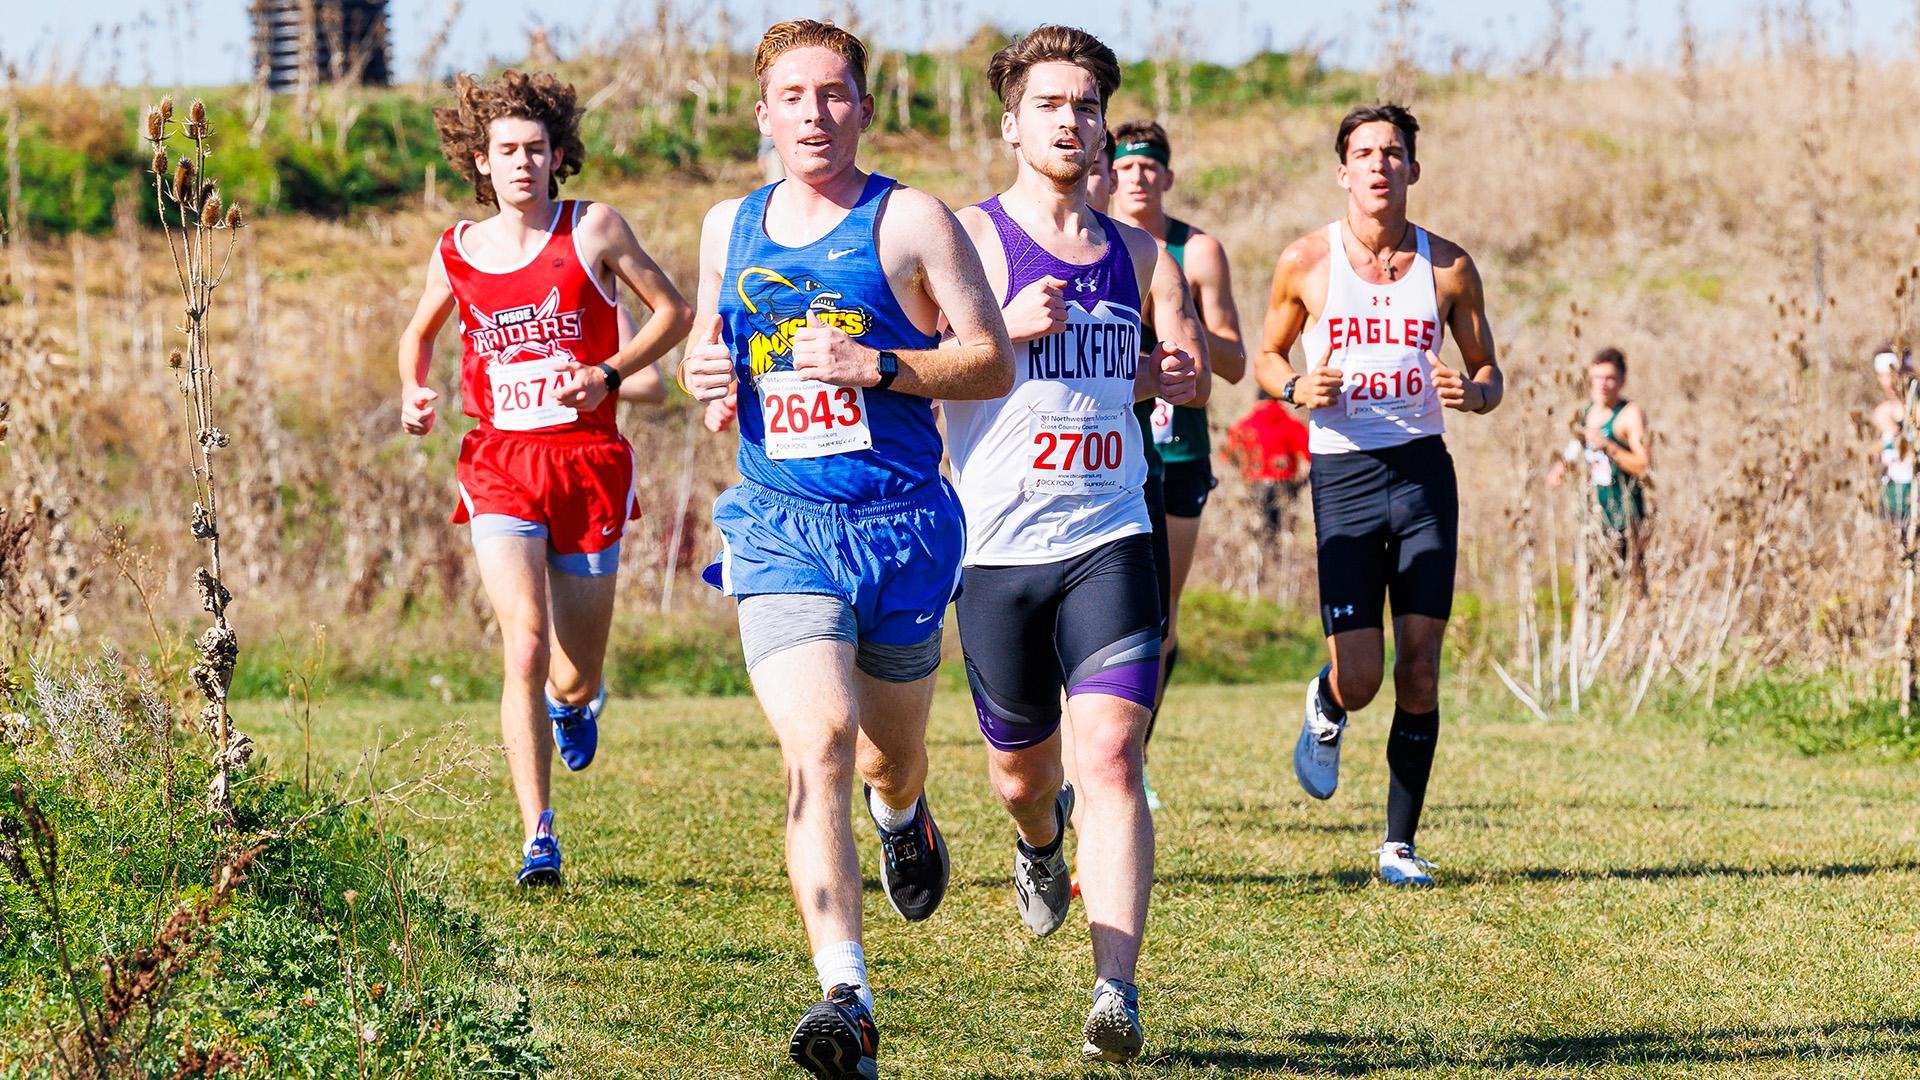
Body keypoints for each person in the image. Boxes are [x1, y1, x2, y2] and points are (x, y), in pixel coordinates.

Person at [673, 20, 1012, 1079]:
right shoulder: (728, 225)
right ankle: (846, 995)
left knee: (885, 753)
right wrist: (702, 372)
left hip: (903, 526)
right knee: (818, 739)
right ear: (763, 112)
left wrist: (881, 363)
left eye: (834, 94)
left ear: (863, 106)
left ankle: (904, 814)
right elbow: (705, 343)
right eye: (792, 96)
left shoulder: (909, 220)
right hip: (779, 524)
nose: (814, 114)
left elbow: (991, 360)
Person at [946, 25, 1206, 1063]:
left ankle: (1116, 991)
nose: (1072, 121)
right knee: (1022, 776)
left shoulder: (1140, 253)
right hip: (1000, 547)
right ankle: (1037, 843)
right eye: (1050, 104)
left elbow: (1142, 369)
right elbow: (915, 366)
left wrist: (1168, 379)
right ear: (1012, 123)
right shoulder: (963, 238)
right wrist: (1002, 328)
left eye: (1087, 105)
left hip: (1112, 531)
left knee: (1110, 752)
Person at [397, 70, 692, 887]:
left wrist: (606, 369)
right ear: (481, 163)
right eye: (506, 151)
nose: (522, 163)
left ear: (558, 154)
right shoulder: (456, 248)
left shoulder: (592, 227)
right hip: (499, 463)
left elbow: (673, 313)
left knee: (574, 667)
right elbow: (418, 334)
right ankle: (538, 833)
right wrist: (413, 390)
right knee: (521, 643)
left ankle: (574, 703)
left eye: (536, 148)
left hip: (589, 463)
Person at [1255, 103, 1504, 887]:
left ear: (1413, 170)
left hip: (1424, 473)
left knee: (1421, 668)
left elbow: (1491, 375)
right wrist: (1294, 384)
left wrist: (1475, 393)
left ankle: (1399, 845)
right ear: (1343, 172)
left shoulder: (1450, 267)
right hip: (1345, 475)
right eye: (1364, 153)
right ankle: (1327, 705)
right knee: (1361, 677)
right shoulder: (1306, 261)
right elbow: (1265, 354)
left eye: (1393, 153)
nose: (1378, 165)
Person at [1106, 120, 1246, 806]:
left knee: (1161, 615)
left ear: (1166, 176)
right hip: (1113, 443)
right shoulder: (1092, 243)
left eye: (1148, 167)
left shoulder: (1198, 250)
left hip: (1180, 445)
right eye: (1125, 166)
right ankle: (1104, 751)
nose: (1136, 178)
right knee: (1112, 611)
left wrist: (1180, 316)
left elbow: (1236, 360)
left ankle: (1136, 755)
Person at [1547, 347, 1651, 568]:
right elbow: (1575, 446)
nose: (1602, 384)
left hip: (1625, 515)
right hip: (1593, 514)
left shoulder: (1630, 415)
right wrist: (1560, 469)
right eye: (1597, 378)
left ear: (1622, 381)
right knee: (1584, 581)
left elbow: (1643, 467)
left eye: (1609, 378)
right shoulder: (1587, 412)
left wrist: (1610, 447)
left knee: (1631, 582)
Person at [1226, 389, 1311, 535]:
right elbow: (1309, 455)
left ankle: (1265, 555)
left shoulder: (1244, 426)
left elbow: (1229, 455)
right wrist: (1301, 481)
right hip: (1285, 484)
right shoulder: (1292, 424)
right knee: (1284, 530)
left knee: (1261, 530)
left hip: (1255, 484)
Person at [1872, 346, 1914, 526]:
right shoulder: (1880, 414)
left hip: (1914, 508)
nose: (1887, 382)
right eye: (1882, 376)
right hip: (1890, 509)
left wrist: (1896, 432)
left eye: (1891, 374)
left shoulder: (1915, 412)